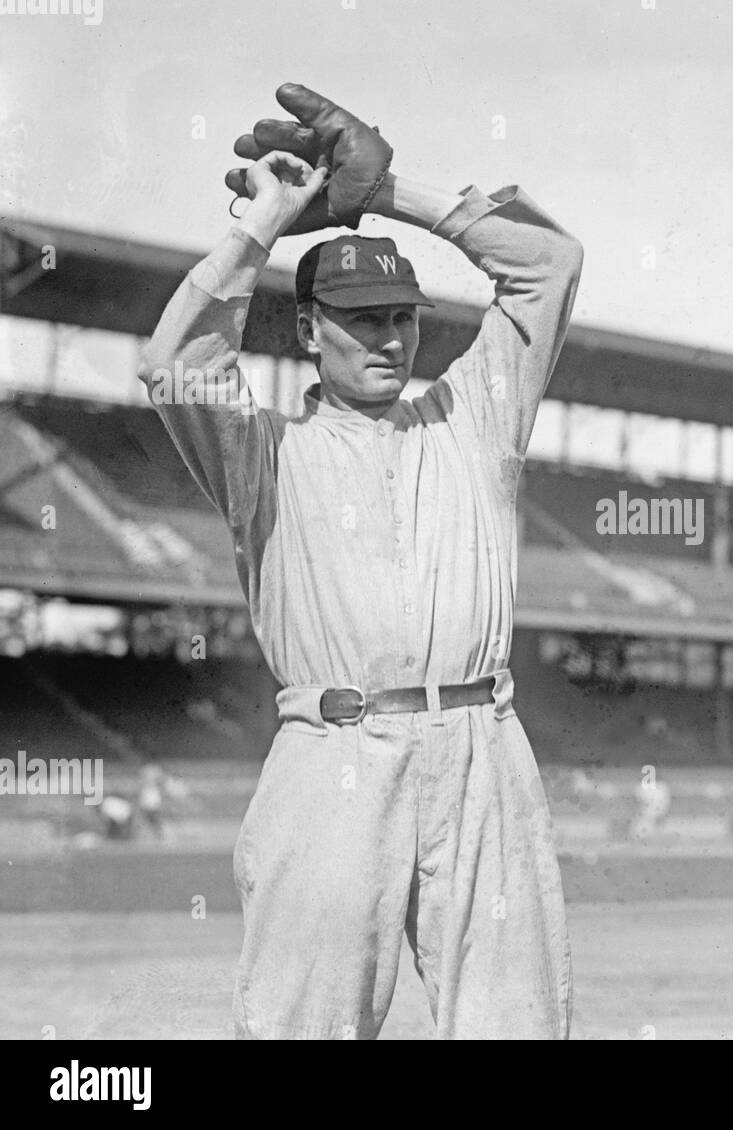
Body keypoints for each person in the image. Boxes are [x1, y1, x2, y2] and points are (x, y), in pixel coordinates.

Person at [139, 84, 582, 1039]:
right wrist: (265, 224)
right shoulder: (260, 453)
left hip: (482, 752)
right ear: (306, 329)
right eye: (360, 317)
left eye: (402, 315)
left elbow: (550, 265)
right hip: (334, 756)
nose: (389, 336)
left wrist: (386, 195)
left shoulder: (473, 416)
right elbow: (175, 366)